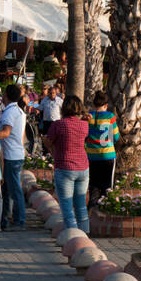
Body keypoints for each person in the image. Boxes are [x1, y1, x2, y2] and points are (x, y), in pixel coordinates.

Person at [0, 83, 27, 230]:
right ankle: (5, 220)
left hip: (11, 156)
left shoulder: (10, 112)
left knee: (14, 190)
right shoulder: (19, 111)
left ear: (6, 96)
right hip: (16, 153)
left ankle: (20, 221)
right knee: (7, 190)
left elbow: (6, 132)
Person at [47, 94, 90, 232]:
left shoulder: (58, 125)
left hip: (65, 167)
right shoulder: (84, 125)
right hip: (83, 168)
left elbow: (50, 141)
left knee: (67, 208)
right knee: (81, 206)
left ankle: (73, 238)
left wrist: (46, 143)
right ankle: (85, 235)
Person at [86, 90, 118, 205]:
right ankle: (105, 209)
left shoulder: (88, 116)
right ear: (106, 105)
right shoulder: (110, 116)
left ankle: (92, 210)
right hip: (107, 155)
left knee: (93, 184)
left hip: (92, 156)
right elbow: (115, 137)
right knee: (108, 186)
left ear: (94, 105)